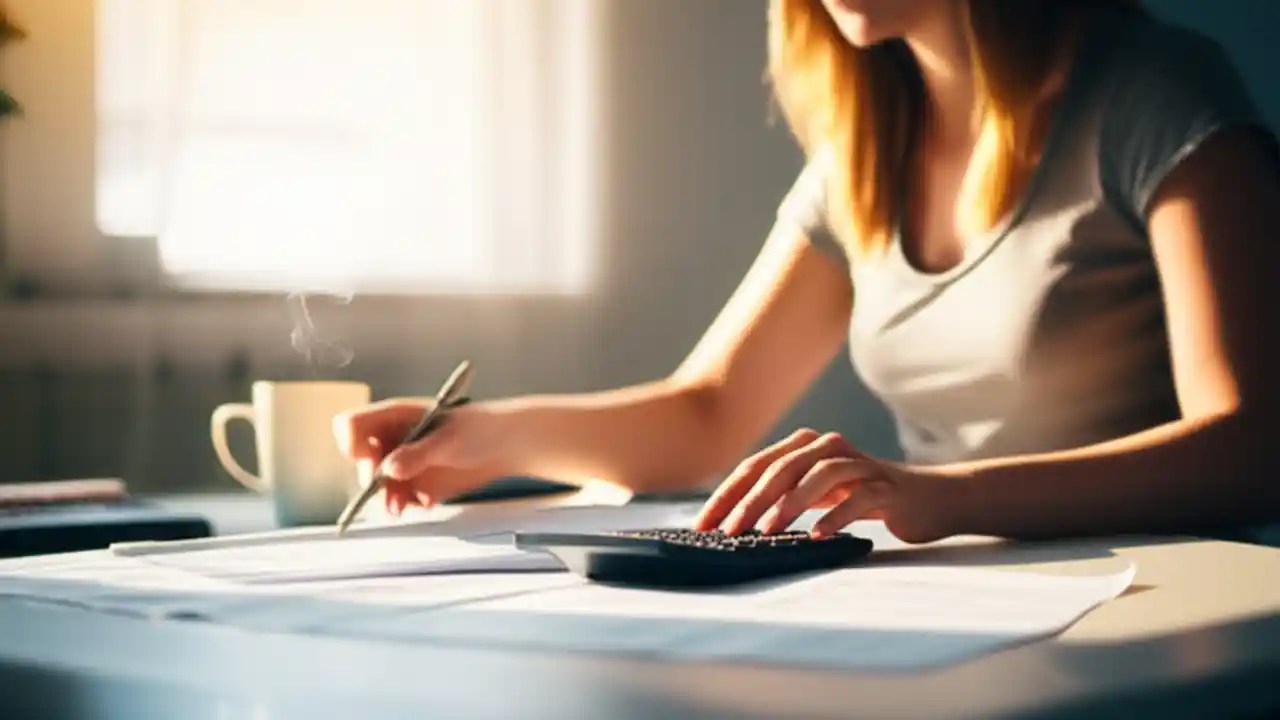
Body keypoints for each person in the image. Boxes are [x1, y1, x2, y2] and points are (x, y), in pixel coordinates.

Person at [334, 0, 1278, 543]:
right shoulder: (864, 152)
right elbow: (708, 411)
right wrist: (481, 437)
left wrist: (936, 495)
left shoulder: (1155, 92)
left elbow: (1251, 450)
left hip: (1158, 606)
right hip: (960, 613)